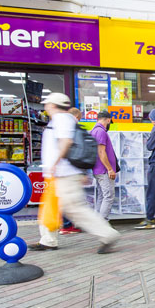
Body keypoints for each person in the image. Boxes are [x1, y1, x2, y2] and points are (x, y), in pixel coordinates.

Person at [32, 93, 121, 253]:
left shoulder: (62, 119)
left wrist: (56, 163)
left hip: (64, 174)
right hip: (58, 174)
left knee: (75, 209)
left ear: (52, 105)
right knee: (49, 207)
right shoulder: (61, 119)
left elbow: (67, 142)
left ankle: (108, 234)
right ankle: (48, 239)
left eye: (47, 104)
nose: (45, 107)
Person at [59, 107, 84, 234]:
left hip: (61, 171)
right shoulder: (70, 128)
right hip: (67, 171)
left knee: (66, 200)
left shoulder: (58, 125)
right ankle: (67, 225)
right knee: (70, 200)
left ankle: (66, 225)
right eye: (78, 119)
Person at [90, 110, 118, 220]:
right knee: (109, 196)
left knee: (102, 196)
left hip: (98, 169)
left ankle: (97, 222)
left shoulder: (94, 130)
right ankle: (102, 223)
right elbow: (101, 152)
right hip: (103, 170)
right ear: (108, 119)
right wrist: (110, 169)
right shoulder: (101, 132)